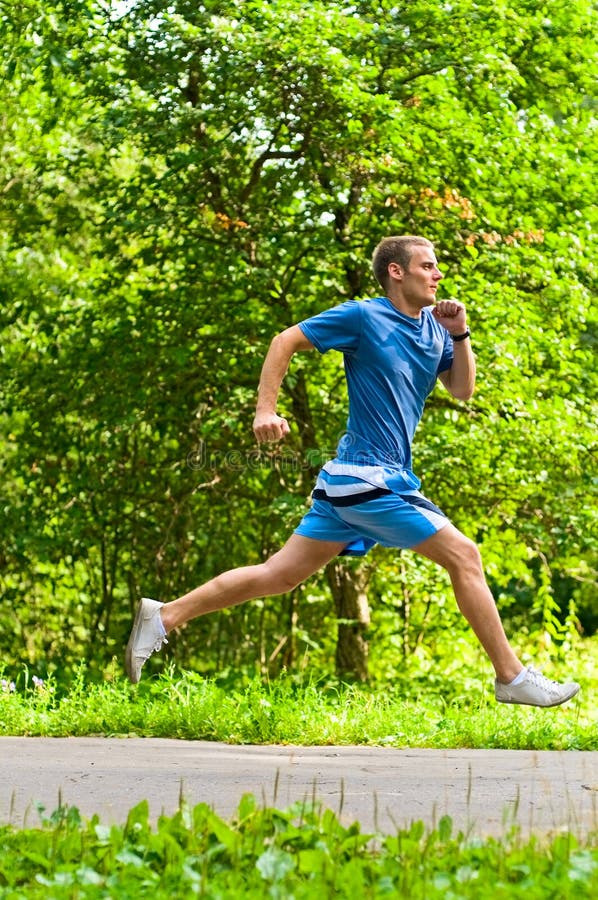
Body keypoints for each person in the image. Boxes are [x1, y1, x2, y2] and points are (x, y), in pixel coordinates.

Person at [125, 235, 580, 707]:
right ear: (396, 273)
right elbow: (286, 340)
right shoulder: (364, 317)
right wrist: (265, 410)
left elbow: (462, 389)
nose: (438, 275)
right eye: (428, 266)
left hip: (362, 484)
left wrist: (460, 334)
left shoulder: (433, 329)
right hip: (365, 479)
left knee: (279, 575)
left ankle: (164, 616)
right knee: (464, 555)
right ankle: (510, 675)